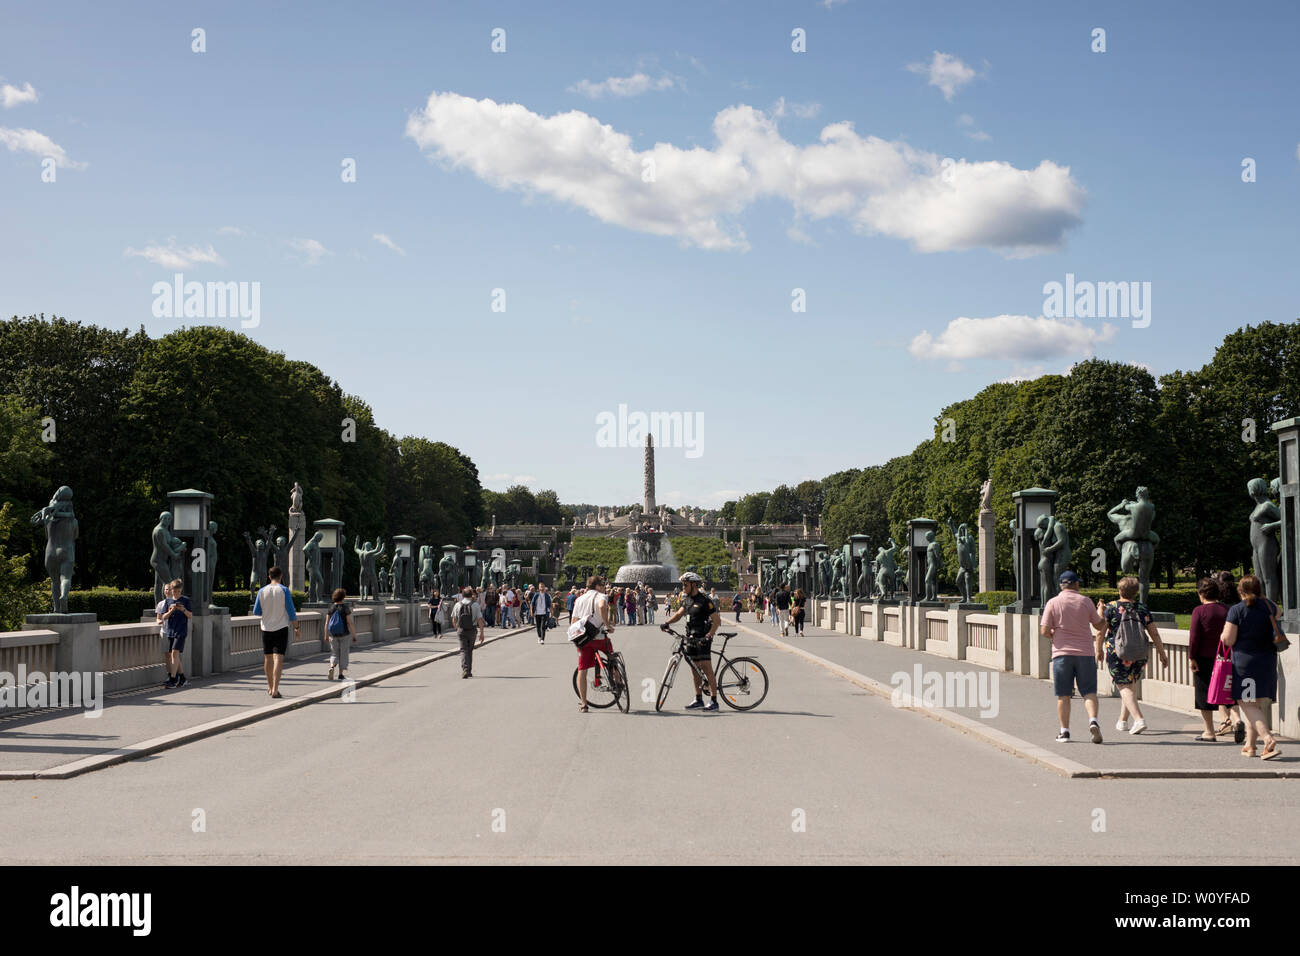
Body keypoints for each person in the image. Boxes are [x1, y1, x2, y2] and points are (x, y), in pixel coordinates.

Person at [1097, 575, 1170, 735]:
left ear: (1119, 590)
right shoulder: (1142, 608)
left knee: (1123, 686)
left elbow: (1100, 632)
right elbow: (1154, 633)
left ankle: (1139, 719)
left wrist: (1098, 650)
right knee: (1131, 685)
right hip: (1139, 653)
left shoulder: (1110, 607)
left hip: (1117, 652)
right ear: (1136, 592)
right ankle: (1123, 721)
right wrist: (1161, 652)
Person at [1039, 570, 1105, 743]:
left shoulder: (1053, 602)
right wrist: (1101, 612)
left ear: (1061, 585)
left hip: (1062, 654)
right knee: (1089, 692)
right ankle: (1093, 720)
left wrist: (1054, 635)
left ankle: (1065, 732)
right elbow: (1099, 626)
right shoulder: (1085, 601)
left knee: (1064, 695)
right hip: (1085, 653)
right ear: (1075, 584)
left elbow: (1044, 630)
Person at [1221, 574, 1283, 759]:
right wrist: (1261, 596)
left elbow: (1228, 639)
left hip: (1246, 664)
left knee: (1246, 703)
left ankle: (1267, 738)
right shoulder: (1270, 607)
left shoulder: (1237, 610)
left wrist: (1223, 637)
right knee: (1254, 705)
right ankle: (1251, 745)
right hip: (1267, 662)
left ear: (1240, 590)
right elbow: (1278, 611)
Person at [660, 571, 721, 711]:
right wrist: (667, 623)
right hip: (691, 638)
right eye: (682, 584)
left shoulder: (705, 600)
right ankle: (698, 699)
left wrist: (709, 635)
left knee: (707, 668)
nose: (683, 586)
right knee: (694, 669)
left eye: (685, 584)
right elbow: (679, 614)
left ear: (694, 585)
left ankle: (714, 701)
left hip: (703, 637)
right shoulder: (686, 599)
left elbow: (717, 621)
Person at [1188, 577, 1229, 741]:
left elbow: (1194, 637)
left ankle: (1209, 731)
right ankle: (1235, 719)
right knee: (1226, 692)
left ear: (1201, 593)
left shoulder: (1199, 611)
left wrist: (1192, 657)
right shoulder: (1227, 610)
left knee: (1203, 694)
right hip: (1224, 657)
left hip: (1204, 657)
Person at [253, 566, 299, 698]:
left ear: (269, 576)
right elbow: (291, 612)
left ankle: (269, 686)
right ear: (281, 576)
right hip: (281, 627)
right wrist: (296, 628)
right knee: (278, 658)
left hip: (266, 628)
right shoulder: (284, 590)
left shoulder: (262, 591)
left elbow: (257, 611)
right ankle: (275, 689)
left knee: (267, 658)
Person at [573, 576, 616, 713]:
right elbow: (602, 606)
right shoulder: (601, 596)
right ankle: (619, 683)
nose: (603, 587)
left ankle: (584, 704)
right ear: (597, 586)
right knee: (611, 658)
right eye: (602, 585)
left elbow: (574, 621)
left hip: (585, 639)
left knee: (582, 669)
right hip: (599, 637)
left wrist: (577, 639)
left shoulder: (579, 599)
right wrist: (608, 625)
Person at [156, 578, 193, 689]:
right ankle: (182, 678)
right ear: (171, 590)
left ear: (181, 590)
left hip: (181, 631)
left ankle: (173, 679)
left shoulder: (185, 600)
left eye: (178, 591)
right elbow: (163, 617)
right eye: (174, 591)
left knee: (174, 653)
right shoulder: (168, 601)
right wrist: (171, 610)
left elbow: (190, 616)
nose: (176, 593)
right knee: (173, 655)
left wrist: (183, 610)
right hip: (170, 631)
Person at [451, 585, 485, 677]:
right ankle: (469, 670)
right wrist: (482, 633)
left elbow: (453, 620)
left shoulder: (457, 605)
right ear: (471, 595)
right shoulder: (475, 605)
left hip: (461, 629)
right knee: (470, 650)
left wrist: (457, 629)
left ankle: (465, 669)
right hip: (472, 630)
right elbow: (480, 620)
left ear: (462, 595)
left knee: (463, 650)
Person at [326, 587, 357, 681]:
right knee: (343, 654)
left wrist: (326, 635)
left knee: (334, 653)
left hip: (333, 635)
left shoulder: (331, 608)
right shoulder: (345, 608)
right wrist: (354, 635)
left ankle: (332, 667)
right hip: (344, 634)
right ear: (343, 597)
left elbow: (326, 623)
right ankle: (340, 674)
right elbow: (350, 623)